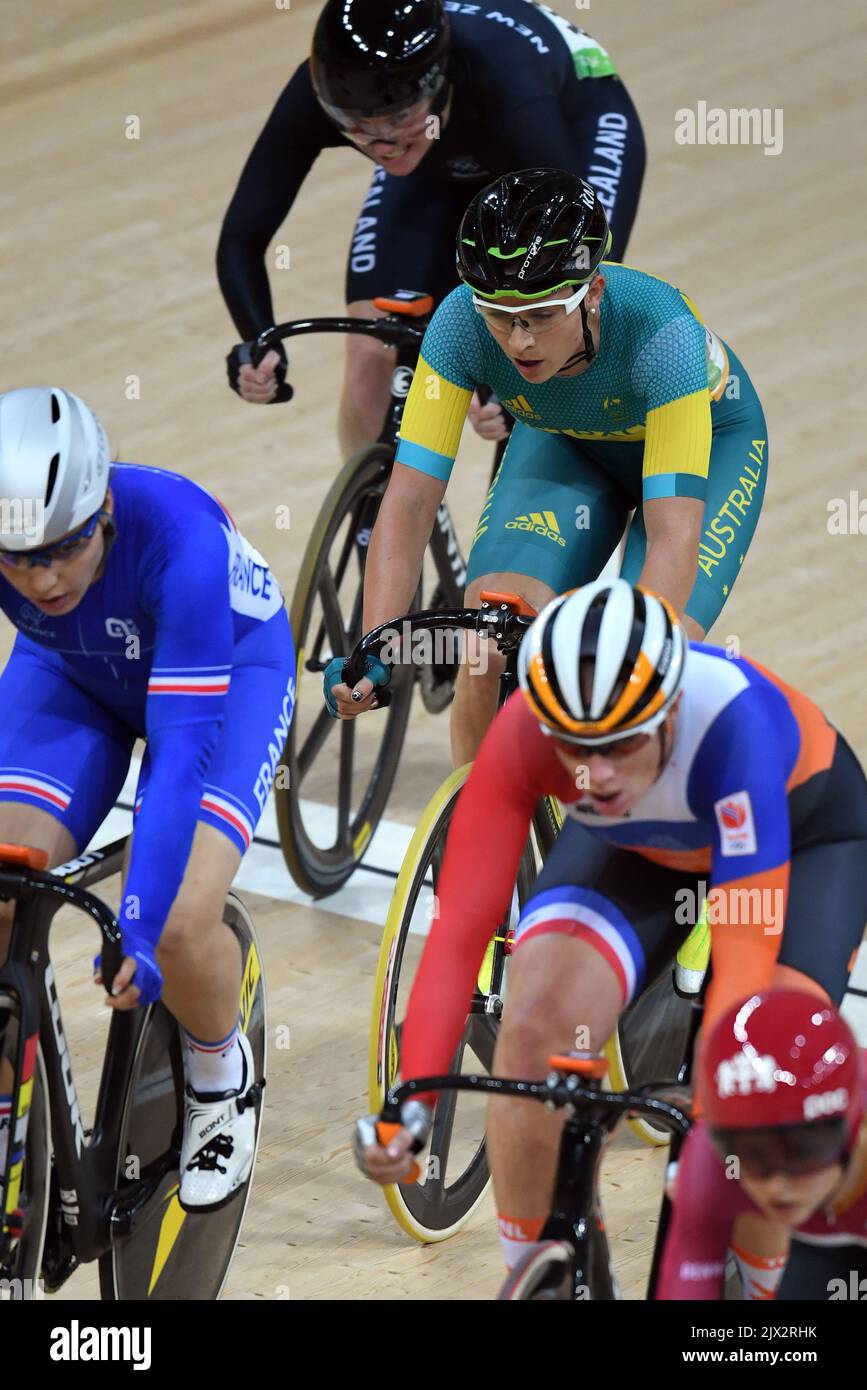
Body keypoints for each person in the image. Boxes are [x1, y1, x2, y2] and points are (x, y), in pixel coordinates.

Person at [352, 579, 867, 1275]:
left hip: (805, 842)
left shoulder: (731, 729)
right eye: (573, 747)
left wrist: (720, 1113)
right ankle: (541, 1273)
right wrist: (408, 1103)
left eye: (618, 745)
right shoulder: (527, 731)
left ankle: (763, 1301)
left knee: (762, 1093)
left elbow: (742, 965)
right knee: (532, 1027)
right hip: (640, 843)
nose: (591, 776)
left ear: (668, 713)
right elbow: (460, 931)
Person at [325, 169, 768, 766]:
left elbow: (673, 534)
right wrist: (376, 641)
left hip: (711, 449)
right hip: (570, 442)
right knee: (487, 636)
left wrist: (630, 670)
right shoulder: (458, 325)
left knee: (657, 665)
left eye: (540, 314)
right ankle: (478, 832)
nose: (518, 341)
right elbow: (408, 502)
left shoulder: (663, 337)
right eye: (499, 315)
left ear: (592, 293)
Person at [0, 387, 296, 1210]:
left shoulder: (182, 542)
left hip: (226, 681)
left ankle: (218, 1068)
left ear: (102, 513)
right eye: (18, 559)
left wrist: (135, 920)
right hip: (72, 673)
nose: (44, 577)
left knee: (174, 921)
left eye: (64, 548)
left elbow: (177, 755)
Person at [218, 0, 646, 456]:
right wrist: (258, 340)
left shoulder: (505, 81)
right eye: (357, 127)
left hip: (573, 123)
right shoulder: (330, 96)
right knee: (371, 350)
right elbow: (242, 239)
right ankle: (372, 516)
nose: (382, 143)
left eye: (399, 118)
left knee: (552, 346)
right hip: (441, 157)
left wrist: (517, 363)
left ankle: (531, 517)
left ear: (440, 86)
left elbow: (576, 240)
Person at [657, 989, 867, 1300]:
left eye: (804, 1150)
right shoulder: (710, 1159)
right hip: (825, 1246)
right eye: (754, 1154)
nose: (777, 1186)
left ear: (853, 1128)